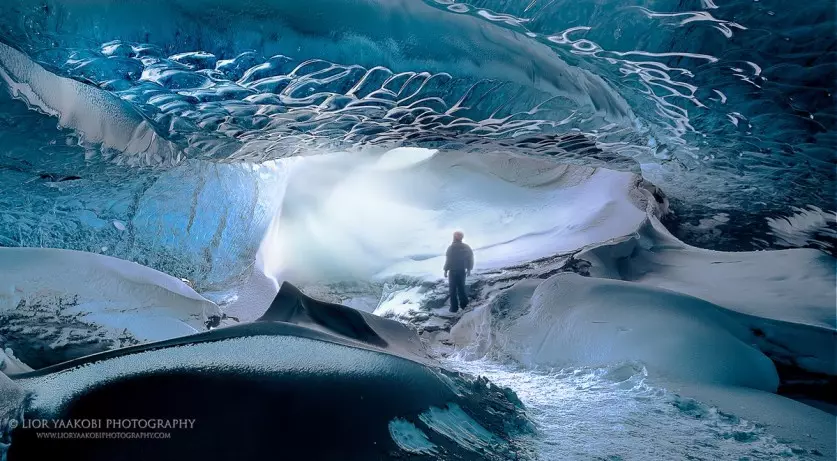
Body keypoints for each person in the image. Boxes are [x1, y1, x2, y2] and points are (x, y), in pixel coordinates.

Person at [443, 231, 474, 313]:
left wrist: (446, 270)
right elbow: (470, 258)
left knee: (452, 290)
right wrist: (469, 269)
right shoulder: (466, 247)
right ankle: (464, 306)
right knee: (461, 289)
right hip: (461, 271)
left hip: (453, 271)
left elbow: (448, 260)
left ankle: (454, 308)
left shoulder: (451, 247)